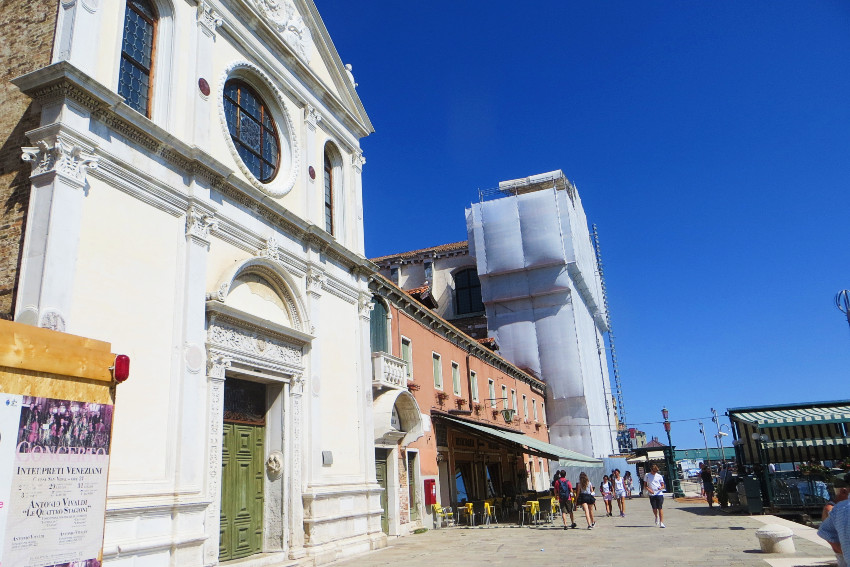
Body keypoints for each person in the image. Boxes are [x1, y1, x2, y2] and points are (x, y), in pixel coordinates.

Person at [818, 473, 850, 567]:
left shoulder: (838, 509)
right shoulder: (834, 509)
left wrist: (843, 551)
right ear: (843, 491)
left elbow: (825, 531)